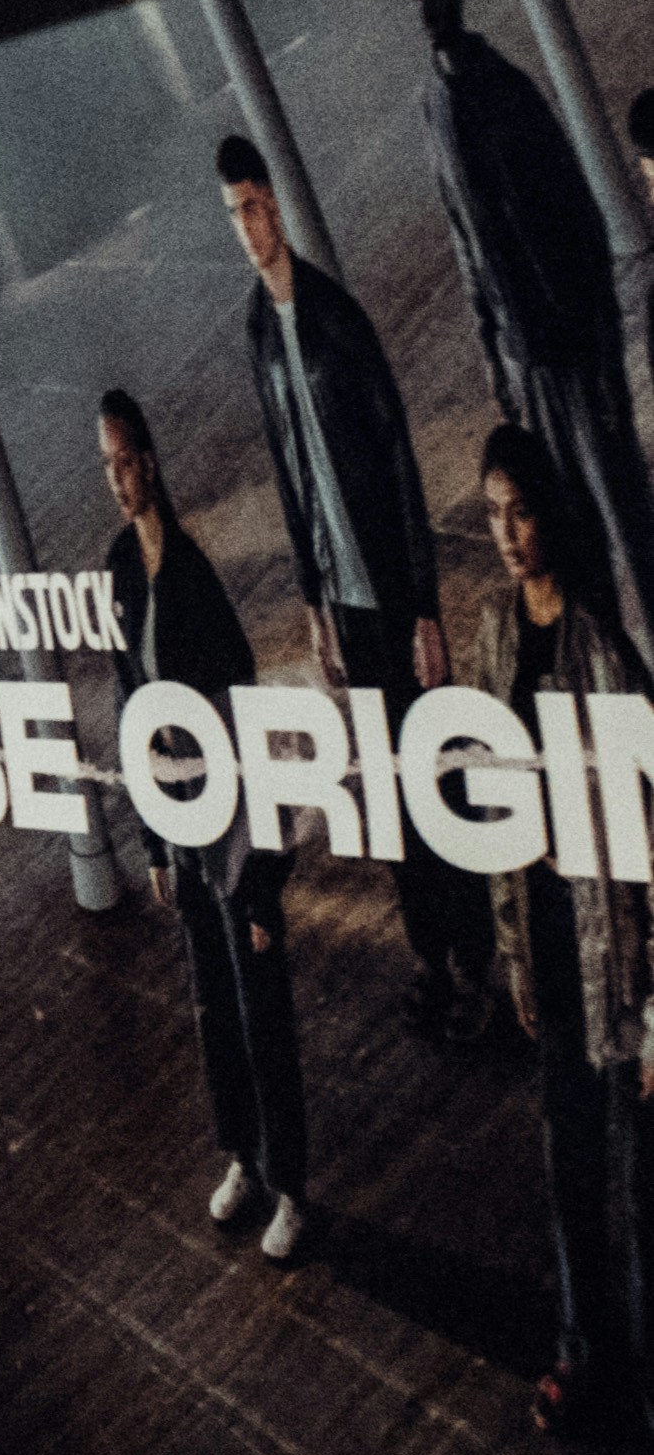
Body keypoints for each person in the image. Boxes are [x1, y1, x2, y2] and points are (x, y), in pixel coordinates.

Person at [223, 139, 500, 1034]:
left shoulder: (336, 318)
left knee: (433, 778)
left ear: (277, 204)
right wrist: (312, 600)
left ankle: (477, 959)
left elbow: (397, 460)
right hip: (341, 601)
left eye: (256, 205)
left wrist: (424, 605)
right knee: (385, 785)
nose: (249, 226)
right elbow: (286, 467)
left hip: (389, 593)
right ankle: (433, 959)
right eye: (235, 214)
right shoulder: (259, 332)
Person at [403, 0, 654, 664]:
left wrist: (603, 358)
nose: (428, 9)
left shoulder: (506, 88)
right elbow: (465, 241)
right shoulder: (433, 107)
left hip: (573, 350)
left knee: (626, 517)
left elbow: (578, 220)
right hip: (525, 363)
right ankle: (613, 672)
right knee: (567, 535)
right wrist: (495, 358)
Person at [98, 390, 303, 1261]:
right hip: (181, 818)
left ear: (151, 461)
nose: (117, 479)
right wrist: (152, 838)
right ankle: (243, 1158)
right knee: (214, 1002)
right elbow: (128, 704)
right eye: (107, 466)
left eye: (126, 461)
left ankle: (290, 1183)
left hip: (229, 822)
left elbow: (242, 702)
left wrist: (258, 873)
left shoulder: (189, 571)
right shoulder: (118, 568)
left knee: (259, 1007)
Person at [483, 422, 654, 1449]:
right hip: (549, 948)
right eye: (492, 515)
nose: (507, 534)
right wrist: (513, 951)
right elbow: (497, 807)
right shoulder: (496, 637)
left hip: (616, 962)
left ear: (549, 513)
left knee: (639, 1199)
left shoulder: (601, 647)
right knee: (569, 1175)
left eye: (520, 511)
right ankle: (583, 1353)